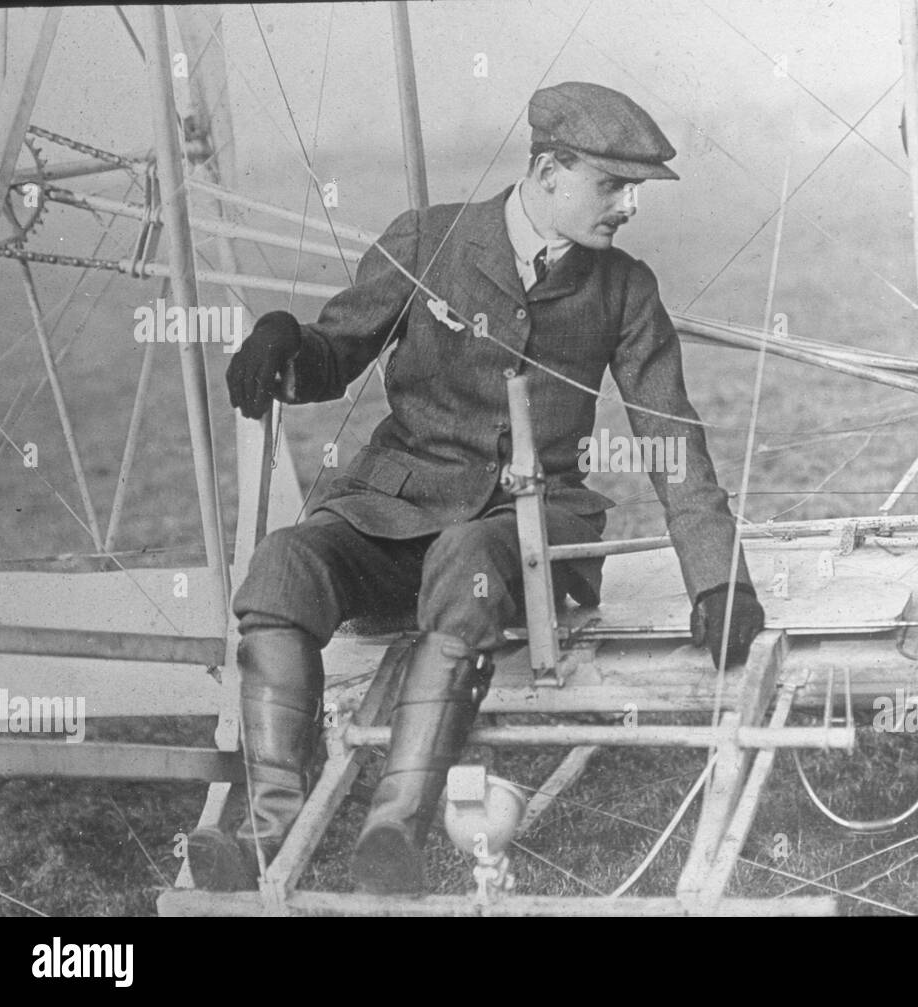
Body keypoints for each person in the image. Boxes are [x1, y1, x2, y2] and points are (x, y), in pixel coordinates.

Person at [191, 81, 765, 895]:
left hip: (527, 531)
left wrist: (718, 576)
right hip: (393, 509)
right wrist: (284, 340)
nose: (629, 206)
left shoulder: (625, 290)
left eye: (634, 188)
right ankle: (263, 828)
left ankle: (394, 828)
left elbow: (668, 432)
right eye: (613, 184)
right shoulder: (428, 242)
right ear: (548, 170)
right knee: (282, 564)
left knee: (466, 563)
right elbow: (332, 354)